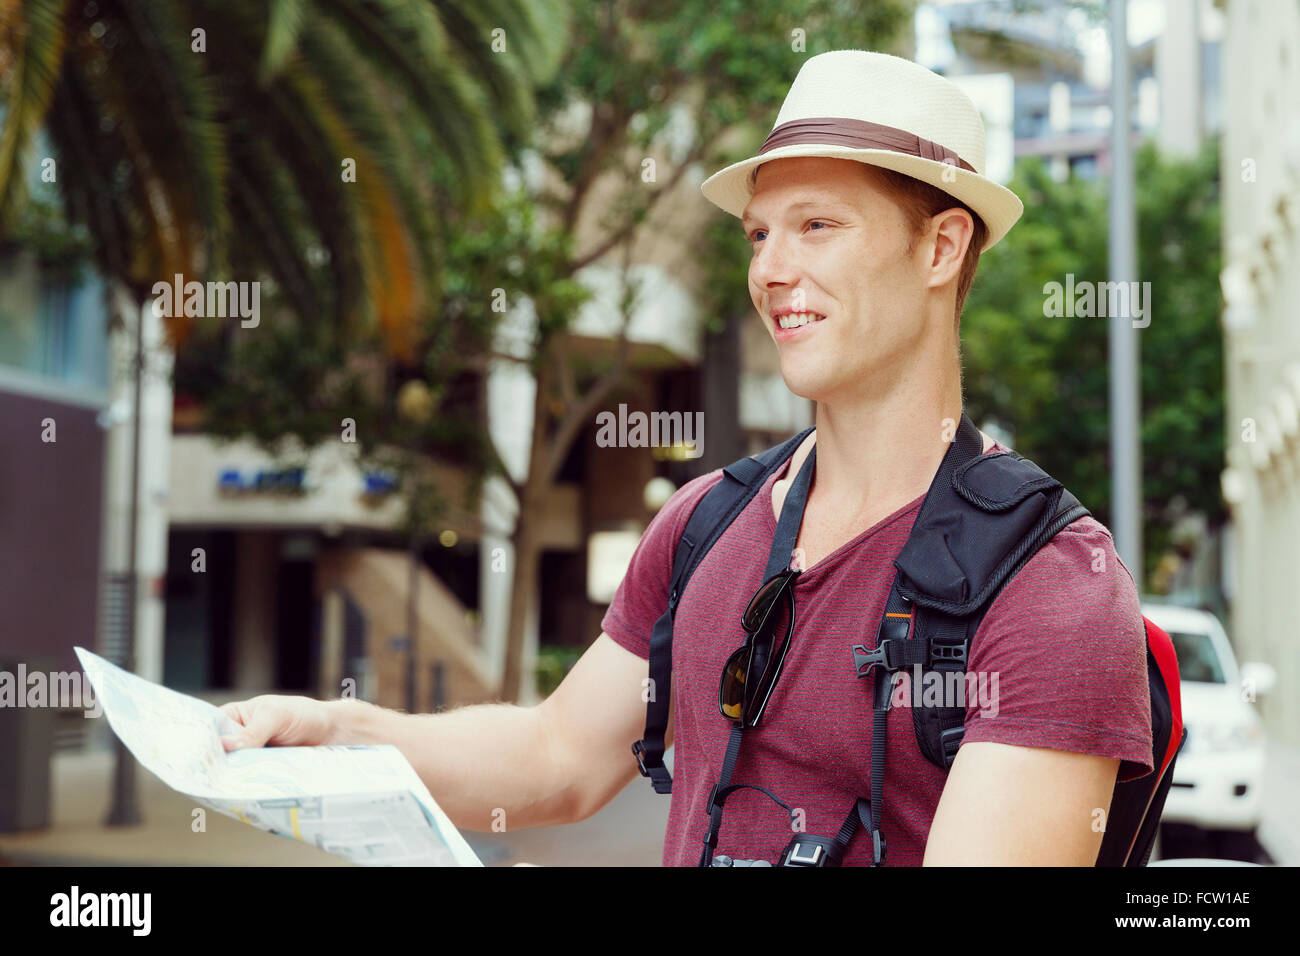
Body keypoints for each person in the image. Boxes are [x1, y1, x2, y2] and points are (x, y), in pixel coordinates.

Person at [222, 50, 1152, 866]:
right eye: (758, 233)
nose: (769, 269)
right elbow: (557, 761)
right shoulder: (706, 521)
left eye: (817, 226)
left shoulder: (1052, 584)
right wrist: (342, 734)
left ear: (942, 246)